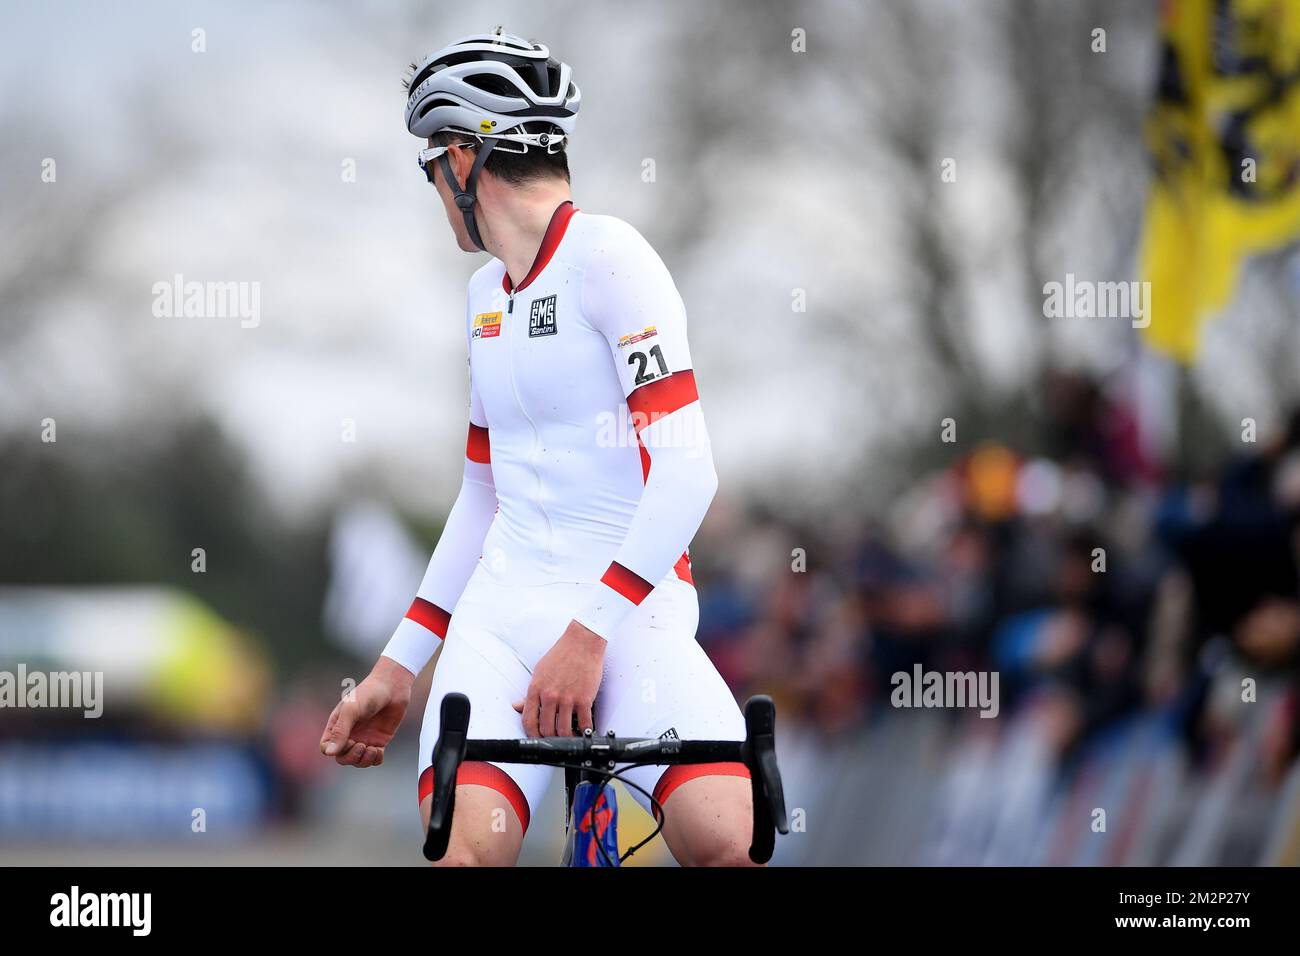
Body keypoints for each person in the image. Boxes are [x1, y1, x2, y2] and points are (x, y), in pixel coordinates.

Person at [319, 30, 754, 867]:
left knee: (728, 844)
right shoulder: (486, 297)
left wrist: (588, 636)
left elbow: (688, 469)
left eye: (430, 168)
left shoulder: (612, 259)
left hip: (630, 620)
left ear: (461, 160)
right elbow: (481, 498)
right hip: (502, 624)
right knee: (465, 858)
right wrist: (398, 664)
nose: (434, 188)